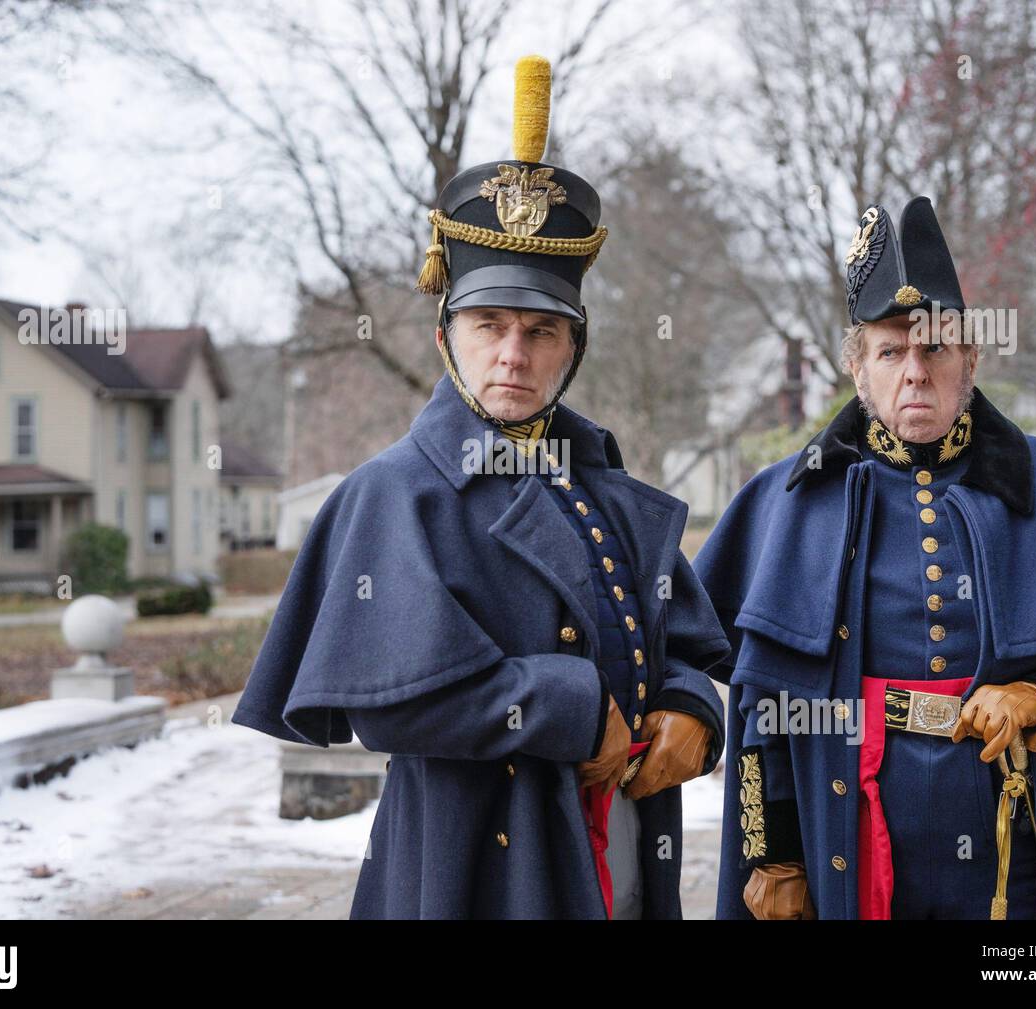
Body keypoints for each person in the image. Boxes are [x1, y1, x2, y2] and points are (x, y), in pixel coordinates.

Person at [231, 55, 728, 919]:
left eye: (542, 331)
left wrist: (692, 710)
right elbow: (394, 704)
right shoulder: (394, 492)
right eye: (489, 325)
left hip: (624, 856)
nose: (514, 354)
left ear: (574, 349)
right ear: (444, 335)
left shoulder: (601, 485)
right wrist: (574, 707)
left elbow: (677, 640)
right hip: (473, 870)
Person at [695, 195, 1036, 919]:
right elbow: (766, 703)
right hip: (851, 832)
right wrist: (777, 852)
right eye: (891, 349)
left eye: (935, 346)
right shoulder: (792, 501)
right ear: (858, 366)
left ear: (969, 358)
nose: (915, 370)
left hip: (1022, 840)